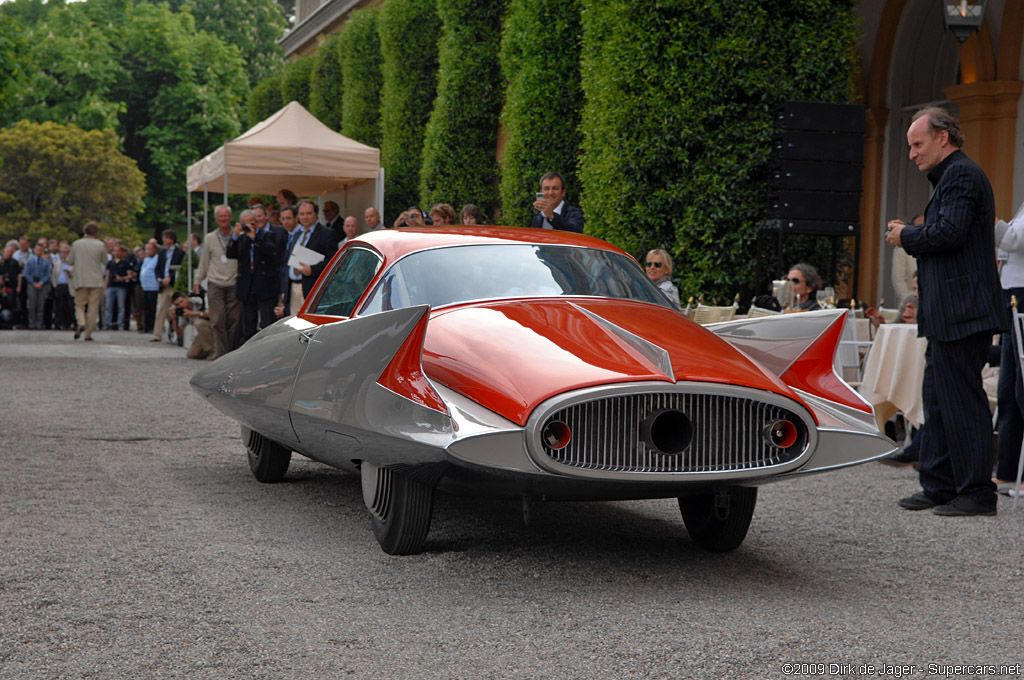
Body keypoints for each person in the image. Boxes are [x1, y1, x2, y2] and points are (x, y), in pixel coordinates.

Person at [885, 106, 1005, 516]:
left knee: (963, 402)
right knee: (937, 400)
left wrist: (907, 235)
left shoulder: (963, 175)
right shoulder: (952, 178)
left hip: (962, 310)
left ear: (943, 138)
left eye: (918, 144)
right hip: (951, 311)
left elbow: (949, 234)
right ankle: (938, 484)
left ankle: (976, 492)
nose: (913, 154)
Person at [992, 200, 1024, 493]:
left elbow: (1015, 240)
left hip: (1022, 294)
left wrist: (990, 219)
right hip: (1011, 293)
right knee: (1009, 388)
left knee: (1021, 387)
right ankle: (1008, 468)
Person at [227, 206, 287, 342]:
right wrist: (235, 236)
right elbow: (230, 254)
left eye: (252, 223)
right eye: (246, 224)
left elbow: (271, 252)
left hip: (265, 286)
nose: (249, 227)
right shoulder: (241, 239)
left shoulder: (267, 235)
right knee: (248, 325)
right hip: (247, 287)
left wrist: (255, 237)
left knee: (267, 323)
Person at [194, 205, 241, 358]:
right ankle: (221, 353)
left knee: (234, 320)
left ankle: (231, 353)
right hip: (215, 282)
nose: (223, 219)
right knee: (218, 319)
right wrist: (197, 280)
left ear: (231, 217)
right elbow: (204, 261)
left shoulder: (238, 234)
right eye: (220, 216)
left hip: (234, 282)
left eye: (226, 216)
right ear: (216, 219)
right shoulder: (209, 238)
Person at [67, 222, 109, 341]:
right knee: (93, 307)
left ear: (84, 231)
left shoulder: (76, 244)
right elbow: (105, 261)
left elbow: (69, 261)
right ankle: (88, 334)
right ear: (96, 232)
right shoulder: (100, 245)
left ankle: (81, 322)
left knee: (79, 304)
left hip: (81, 278)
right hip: (95, 279)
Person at [150, 230, 185, 342]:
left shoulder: (180, 253)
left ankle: (176, 332)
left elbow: (181, 268)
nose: (164, 240)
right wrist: (159, 278)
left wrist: (171, 277)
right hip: (163, 285)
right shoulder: (161, 253)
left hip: (174, 285)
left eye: (166, 238)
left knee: (174, 310)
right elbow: (157, 268)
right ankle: (157, 334)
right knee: (161, 309)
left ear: (172, 239)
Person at [169, 291, 215, 360]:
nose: (181, 305)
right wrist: (174, 319)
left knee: (199, 323)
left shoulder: (198, 301)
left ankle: (212, 351)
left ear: (186, 298)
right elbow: (179, 333)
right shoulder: (183, 312)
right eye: (177, 304)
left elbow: (212, 313)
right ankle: (213, 351)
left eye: (181, 301)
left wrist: (192, 313)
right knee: (191, 354)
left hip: (215, 328)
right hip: (204, 334)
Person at [23, 242, 53, 330]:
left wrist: (41, 282)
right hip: (32, 284)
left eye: (40, 250)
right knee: (32, 305)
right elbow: (26, 273)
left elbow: (48, 274)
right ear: (34, 250)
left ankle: (39, 324)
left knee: (41, 305)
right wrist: (33, 282)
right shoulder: (30, 261)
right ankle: (31, 323)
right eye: (37, 250)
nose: (38, 251)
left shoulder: (46, 262)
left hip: (42, 285)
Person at [103, 243, 132, 330]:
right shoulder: (110, 263)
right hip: (111, 286)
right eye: (114, 251)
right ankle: (107, 323)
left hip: (121, 287)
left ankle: (120, 324)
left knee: (121, 306)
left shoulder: (125, 263)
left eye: (118, 251)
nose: (116, 253)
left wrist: (122, 278)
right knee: (108, 306)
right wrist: (105, 287)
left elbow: (129, 275)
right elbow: (107, 275)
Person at [51, 242, 74, 330]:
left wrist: (71, 274)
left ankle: (69, 323)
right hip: (60, 286)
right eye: (63, 252)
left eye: (67, 252)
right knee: (59, 305)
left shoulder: (73, 263)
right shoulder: (58, 262)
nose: (65, 254)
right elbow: (54, 274)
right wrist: (54, 285)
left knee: (70, 305)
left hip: (70, 285)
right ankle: (58, 323)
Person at [138, 241, 160, 334]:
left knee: (152, 307)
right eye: (146, 249)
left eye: (150, 249)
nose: (147, 251)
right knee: (146, 308)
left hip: (153, 286)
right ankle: (146, 326)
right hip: (145, 286)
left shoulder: (157, 258)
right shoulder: (146, 259)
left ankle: (152, 326)